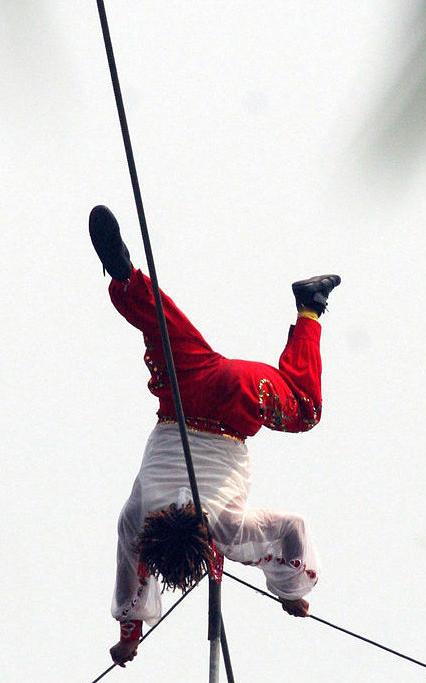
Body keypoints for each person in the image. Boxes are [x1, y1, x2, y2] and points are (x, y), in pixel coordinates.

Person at [89, 205, 340, 668]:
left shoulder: (223, 530)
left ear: (204, 545)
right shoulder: (143, 517)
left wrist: (293, 593)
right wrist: (128, 631)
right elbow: (130, 550)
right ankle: (126, 277)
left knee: (305, 408)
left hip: (235, 402)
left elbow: (293, 528)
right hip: (186, 391)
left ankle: (311, 307)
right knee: (161, 327)